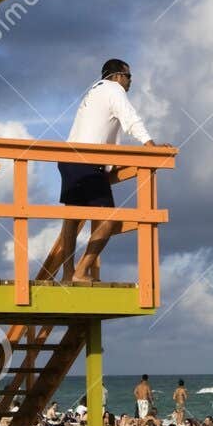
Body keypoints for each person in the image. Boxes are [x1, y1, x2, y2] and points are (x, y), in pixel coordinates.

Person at [57, 58, 158, 282]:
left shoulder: (93, 92)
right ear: (118, 76)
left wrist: (108, 169)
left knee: (72, 218)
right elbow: (130, 118)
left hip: (68, 159)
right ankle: (82, 272)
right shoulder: (114, 90)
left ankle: (67, 273)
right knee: (107, 220)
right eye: (129, 77)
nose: (130, 82)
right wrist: (150, 146)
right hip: (88, 161)